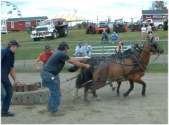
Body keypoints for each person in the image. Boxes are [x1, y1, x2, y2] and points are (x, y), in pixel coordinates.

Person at [40, 41, 90, 116]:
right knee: (56, 93)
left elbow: (71, 59)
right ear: (65, 48)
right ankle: (54, 111)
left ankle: (50, 108)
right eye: (67, 49)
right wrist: (85, 65)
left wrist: (81, 60)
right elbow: (73, 62)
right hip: (49, 75)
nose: (67, 50)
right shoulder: (61, 54)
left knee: (53, 92)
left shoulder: (58, 53)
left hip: (46, 74)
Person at [1, 40, 21, 117]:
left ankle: (4, 111)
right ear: (12, 46)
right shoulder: (3, 52)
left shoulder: (12, 55)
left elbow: (11, 68)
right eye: (16, 47)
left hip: (4, 76)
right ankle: (4, 111)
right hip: (2, 75)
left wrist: (15, 80)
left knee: (8, 92)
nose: (16, 49)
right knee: (7, 92)